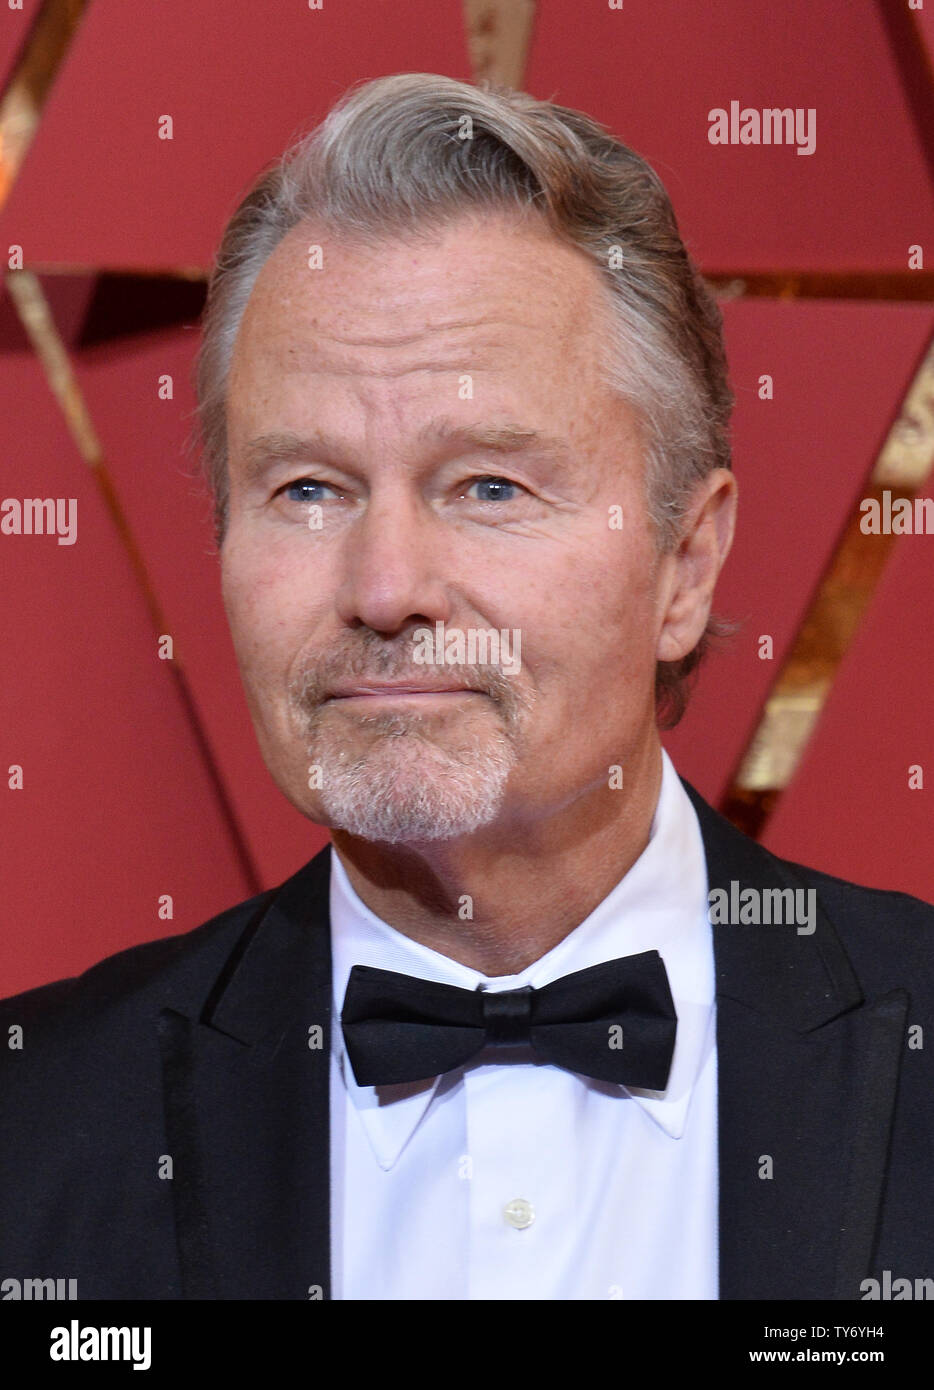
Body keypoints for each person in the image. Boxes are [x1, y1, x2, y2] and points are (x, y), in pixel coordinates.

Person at [1, 72, 931, 1302]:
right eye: (308, 489)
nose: (386, 588)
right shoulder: (34, 1133)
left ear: (684, 567)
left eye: (489, 486)